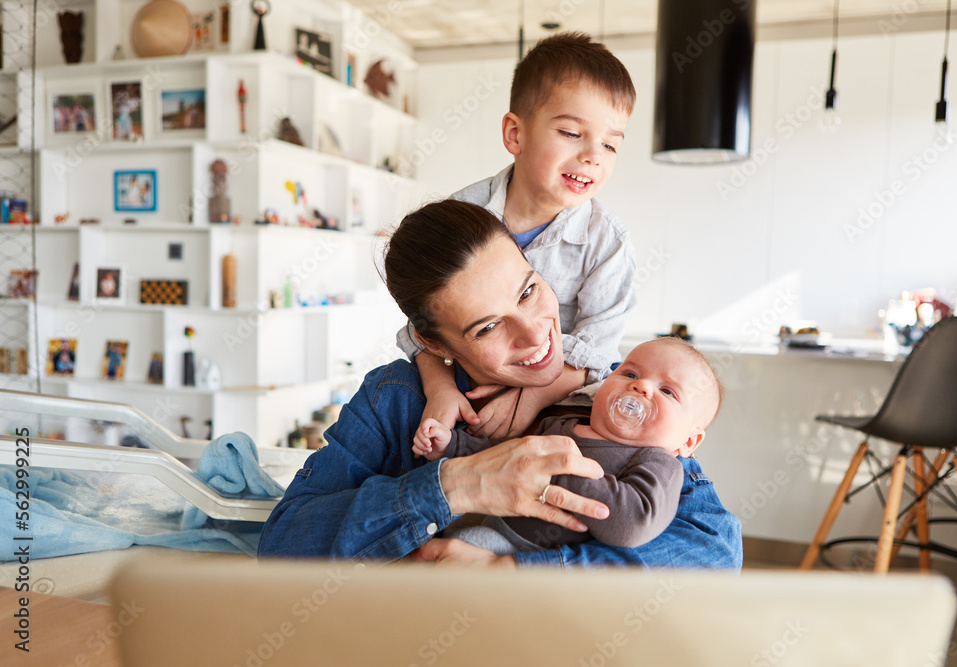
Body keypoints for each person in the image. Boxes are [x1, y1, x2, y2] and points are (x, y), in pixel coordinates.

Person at [258, 200, 742, 570]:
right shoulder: (396, 399)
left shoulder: (605, 392)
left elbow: (715, 553)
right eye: (487, 328)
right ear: (433, 343)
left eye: (529, 290)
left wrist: (509, 573)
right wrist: (454, 485)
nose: (537, 336)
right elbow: (284, 545)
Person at [398, 32, 638, 441]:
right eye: (571, 133)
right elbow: (423, 324)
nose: (593, 155)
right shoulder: (464, 214)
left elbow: (598, 347)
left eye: (610, 145)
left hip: (563, 392)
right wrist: (438, 388)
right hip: (472, 381)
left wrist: (531, 398)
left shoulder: (607, 241)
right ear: (515, 134)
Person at [413, 337, 721, 554]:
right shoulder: (560, 425)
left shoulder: (657, 463)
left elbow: (634, 524)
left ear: (688, 441)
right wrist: (451, 445)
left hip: (542, 557)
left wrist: (550, 474)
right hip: (497, 524)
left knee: (465, 549)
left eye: (667, 391)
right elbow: (502, 455)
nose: (640, 386)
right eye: (629, 373)